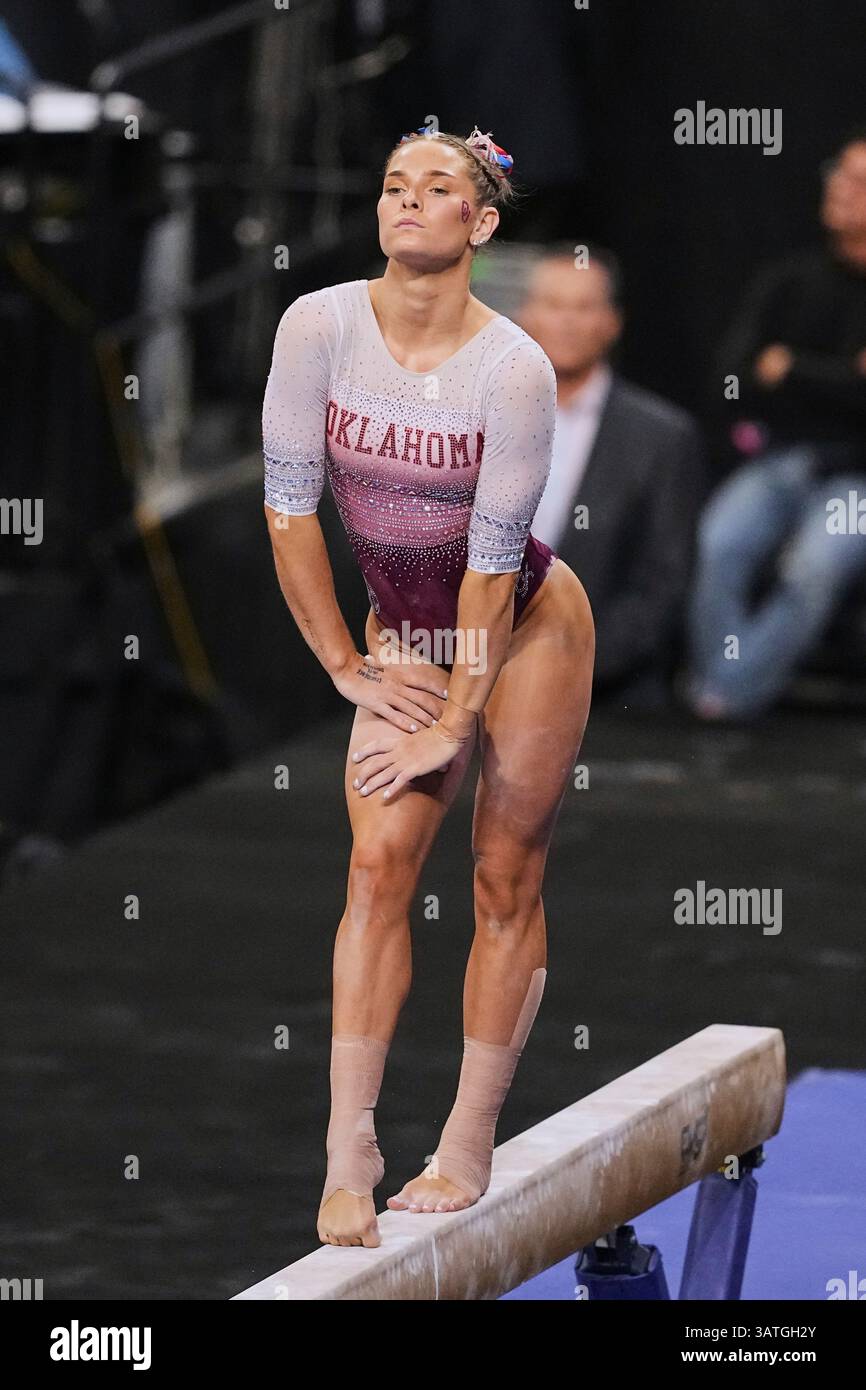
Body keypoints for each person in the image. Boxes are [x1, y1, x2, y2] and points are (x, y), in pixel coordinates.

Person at [262, 124, 594, 1248]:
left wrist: (457, 720)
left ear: (480, 221)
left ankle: (465, 1139)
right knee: (374, 865)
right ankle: (348, 1148)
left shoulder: (512, 369)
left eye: (437, 186)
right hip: (401, 632)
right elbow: (288, 512)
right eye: (393, 183)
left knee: (502, 875)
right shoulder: (316, 327)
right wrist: (346, 668)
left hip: (525, 630)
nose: (407, 199)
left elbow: (492, 571)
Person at [685, 131, 866, 720]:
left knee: (813, 567)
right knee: (720, 542)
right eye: (839, 173)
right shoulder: (789, 281)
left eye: (859, 181)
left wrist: (791, 369)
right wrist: (843, 377)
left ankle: (722, 695)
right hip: (781, 458)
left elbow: (777, 374)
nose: (841, 189)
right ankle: (726, 690)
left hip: (857, 478)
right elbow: (733, 376)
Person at [520, 245, 706, 706]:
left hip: (609, 699)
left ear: (611, 322)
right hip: (468, 685)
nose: (567, 322)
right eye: (554, 304)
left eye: (583, 307)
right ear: (525, 316)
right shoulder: (475, 420)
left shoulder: (662, 437)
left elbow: (665, 581)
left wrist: (565, 669)